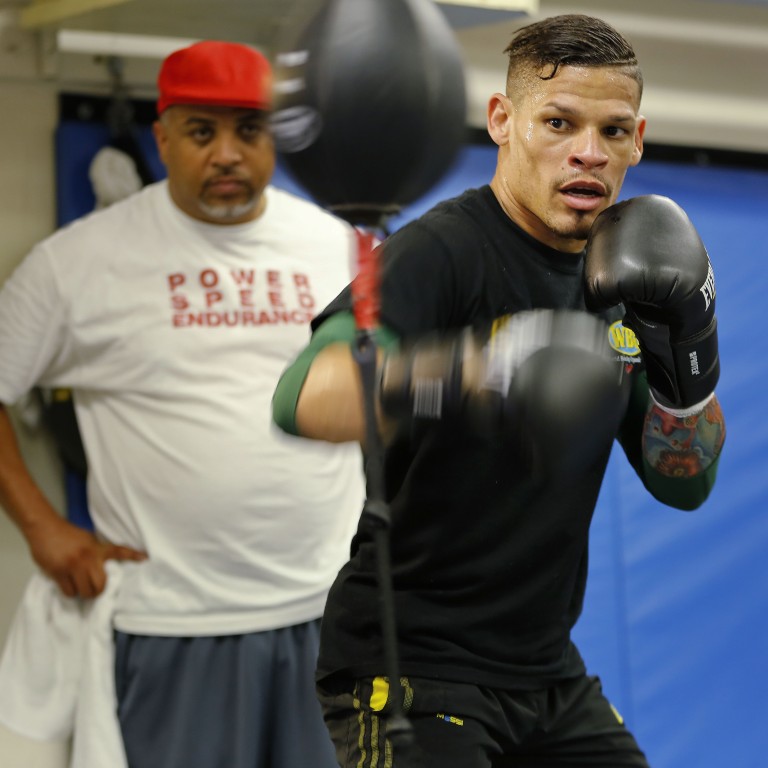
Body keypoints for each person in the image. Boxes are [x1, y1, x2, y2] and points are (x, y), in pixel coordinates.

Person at [272, 14, 726, 768]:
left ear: (638, 140)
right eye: (559, 122)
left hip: (546, 672)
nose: (588, 152)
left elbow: (685, 484)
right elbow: (303, 397)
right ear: (502, 121)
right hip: (409, 667)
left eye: (613, 132)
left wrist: (691, 361)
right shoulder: (443, 250)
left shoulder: (627, 276)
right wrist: (486, 369)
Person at [0, 40, 364, 767]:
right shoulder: (77, 264)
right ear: (162, 137)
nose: (228, 153)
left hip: (330, 616)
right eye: (202, 132)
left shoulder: (336, 246)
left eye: (249, 131)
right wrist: (43, 529)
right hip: (173, 623)